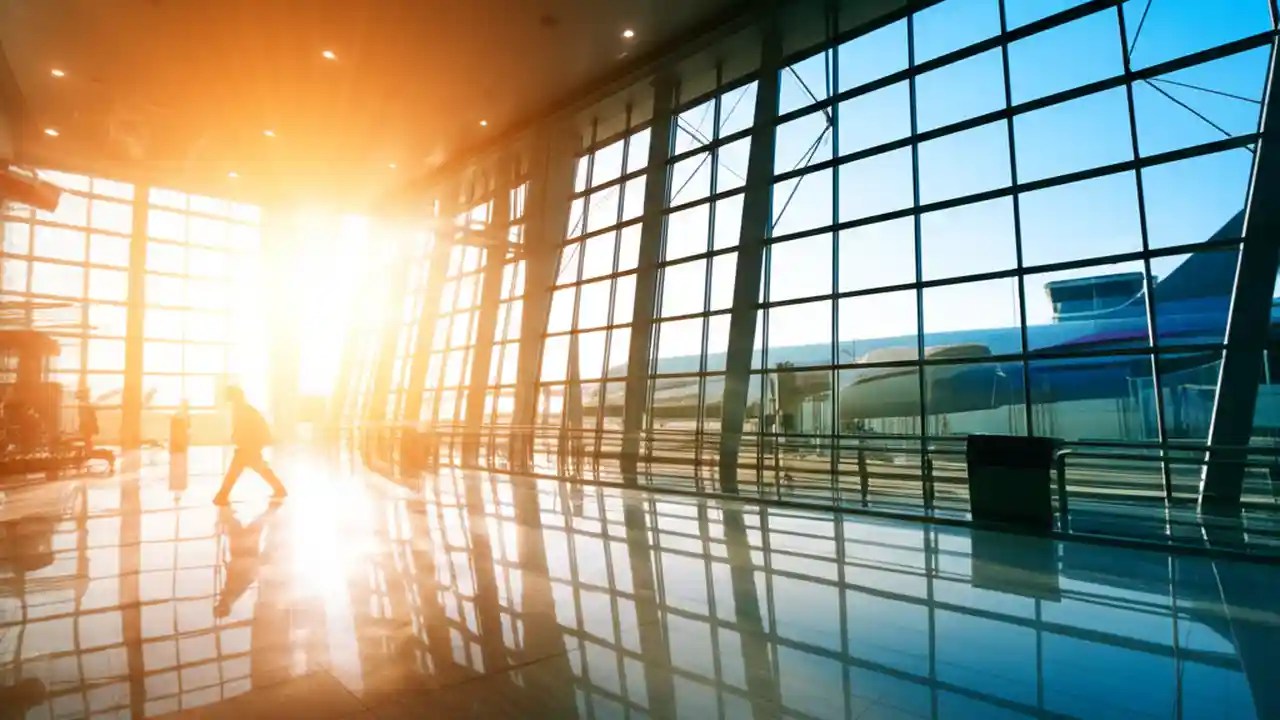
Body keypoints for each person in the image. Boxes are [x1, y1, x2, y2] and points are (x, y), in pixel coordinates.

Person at [213, 387, 286, 505]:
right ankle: (280, 489)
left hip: (248, 446)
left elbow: (245, 428)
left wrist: (238, 437)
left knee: (235, 470)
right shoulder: (244, 409)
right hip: (250, 445)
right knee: (259, 468)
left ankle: (222, 496)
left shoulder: (243, 410)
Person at [77, 388, 99, 453]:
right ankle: (88, 451)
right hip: (87, 424)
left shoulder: (85, 403)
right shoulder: (85, 404)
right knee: (87, 439)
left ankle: (88, 451)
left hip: (87, 424)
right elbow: (86, 416)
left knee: (87, 439)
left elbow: (86, 416)